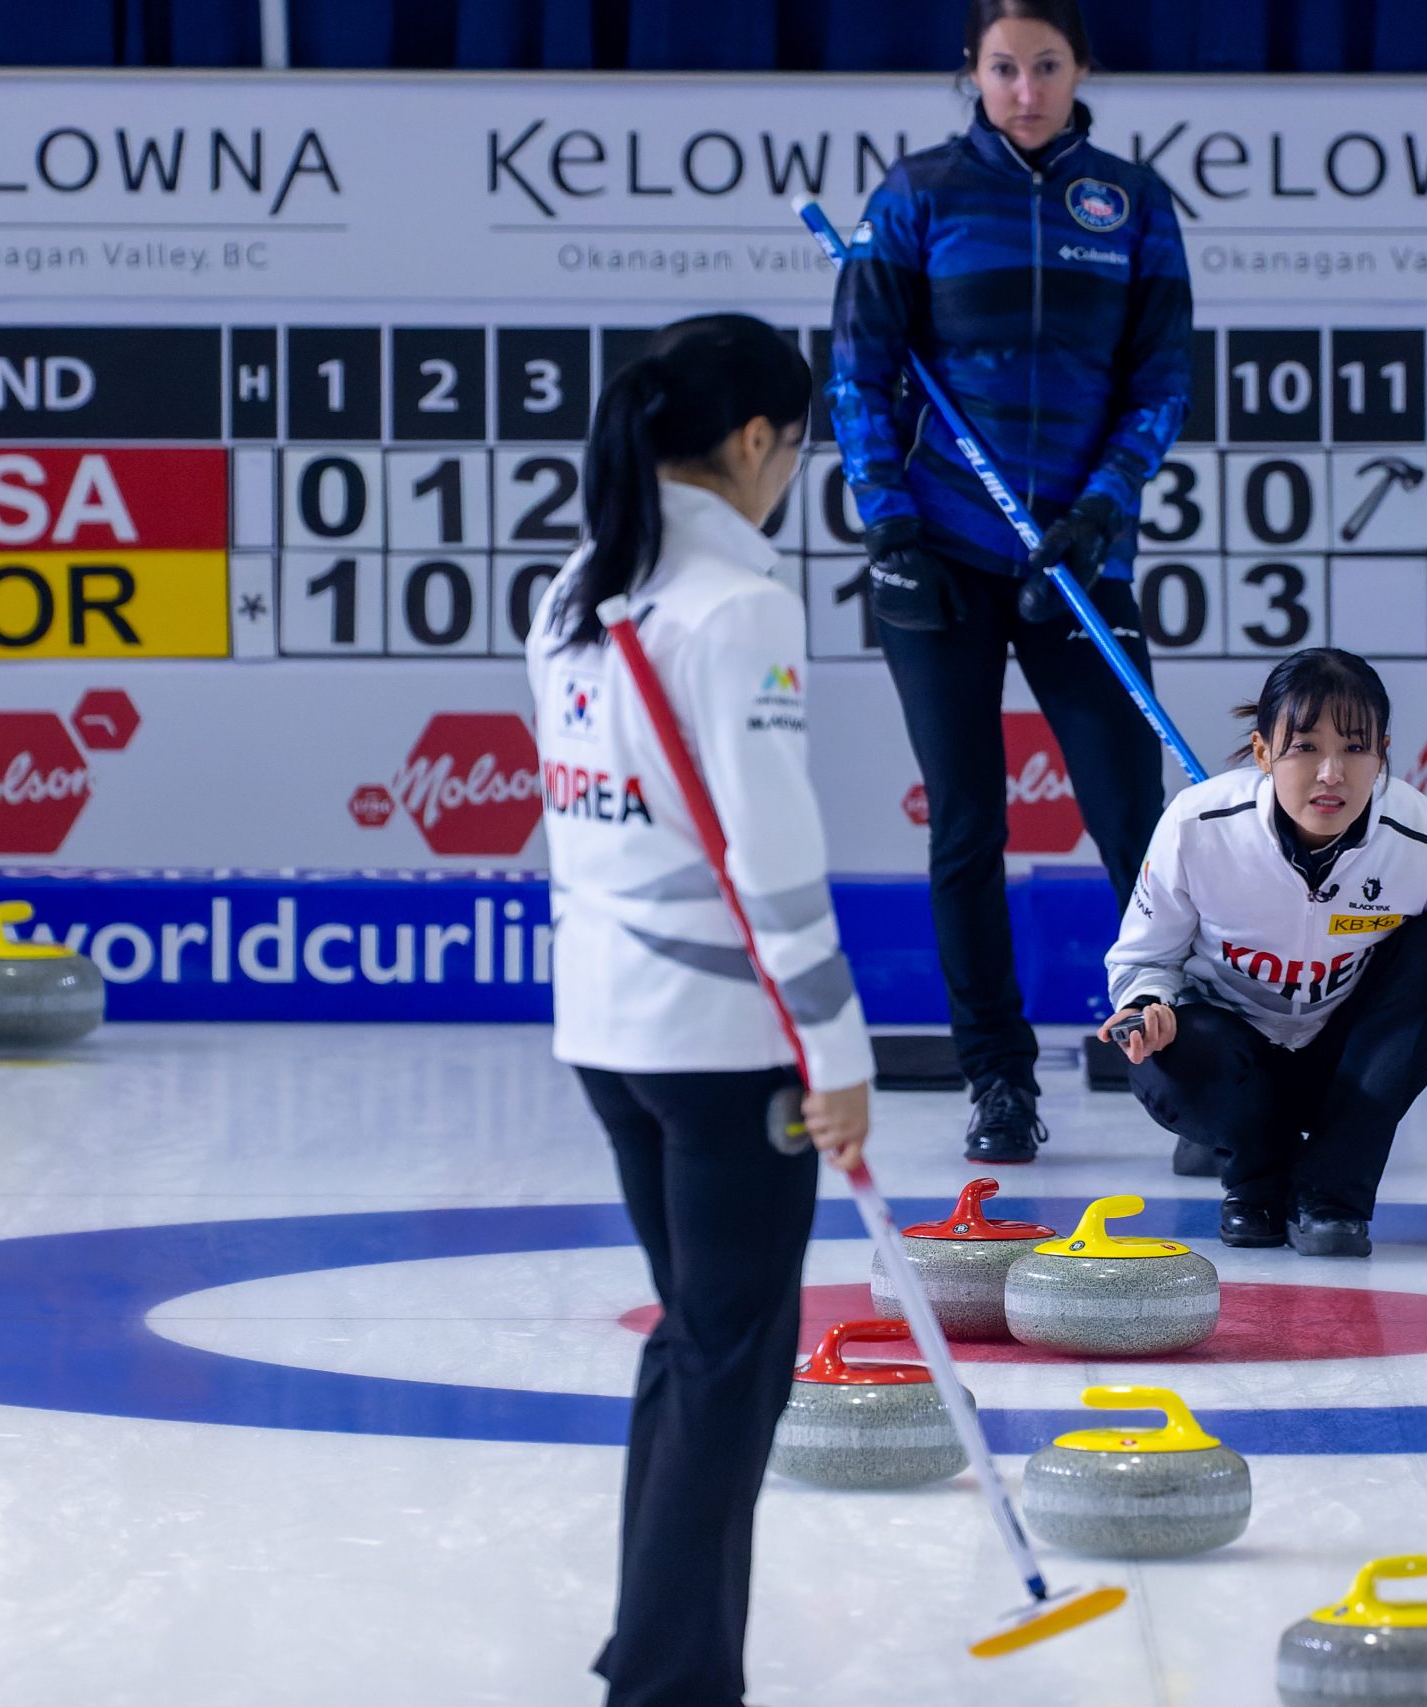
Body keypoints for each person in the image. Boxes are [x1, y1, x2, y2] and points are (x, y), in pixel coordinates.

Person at [527, 314, 875, 1707]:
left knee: (700, 1337)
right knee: (733, 1362)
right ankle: (670, 1682)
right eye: (795, 452)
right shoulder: (740, 607)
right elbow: (772, 858)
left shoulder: (573, 587)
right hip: (726, 1046)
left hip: (606, 1032)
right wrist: (838, 1051)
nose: (790, 478)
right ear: (754, 440)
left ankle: (649, 1641)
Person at [830, 0, 1193, 1164]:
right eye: (1003, 68)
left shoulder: (1133, 203)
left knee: (1134, 822)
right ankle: (998, 1080)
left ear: (1081, 68)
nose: (1025, 91)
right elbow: (858, 373)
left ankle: (1190, 1075)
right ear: (973, 74)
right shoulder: (919, 193)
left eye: (1045, 66)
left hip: (1078, 555)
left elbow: (1161, 383)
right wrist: (890, 526)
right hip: (940, 555)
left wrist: (1100, 510)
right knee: (966, 825)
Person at [1098, 648, 1427, 1257]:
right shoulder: (1196, 825)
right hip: (1235, 1063)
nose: (1331, 773)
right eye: (1305, 747)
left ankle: (1332, 1195)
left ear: (1382, 754)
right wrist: (1146, 1005)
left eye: (1355, 748)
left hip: (1348, 1073)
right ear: (1263, 752)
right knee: (1173, 1047)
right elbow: (1142, 960)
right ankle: (1256, 1180)